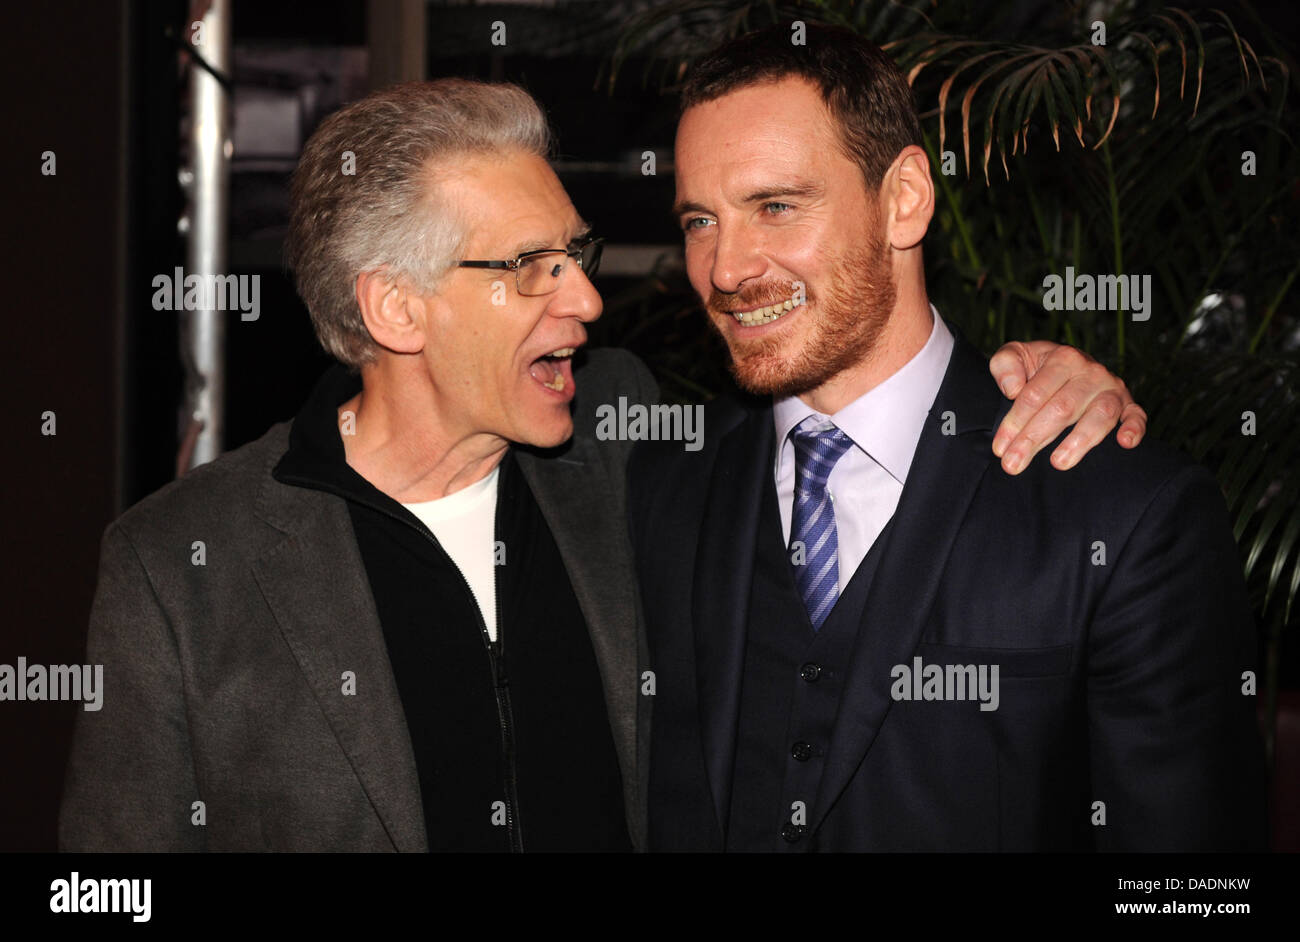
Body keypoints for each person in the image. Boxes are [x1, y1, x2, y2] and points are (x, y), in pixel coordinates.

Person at [61, 77, 1143, 853]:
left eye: (573, 257)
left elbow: (850, 416)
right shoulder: (182, 566)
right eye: (529, 269)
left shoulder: (628, 444)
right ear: (395, 306)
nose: (583, 300)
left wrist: (1036, 373)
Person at [629, 24, 1267, 852]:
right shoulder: (657, 484)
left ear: (905, 199)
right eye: (699, 221)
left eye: (776, 206)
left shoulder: (1122, 511)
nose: (725, 267)